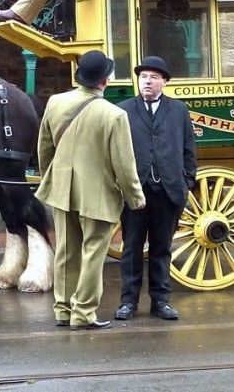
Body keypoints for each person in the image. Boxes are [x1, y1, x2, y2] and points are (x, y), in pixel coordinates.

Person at [35, 50, 146, 330]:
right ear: (105, 80)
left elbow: (44, 148)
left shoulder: (55, 102)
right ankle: (83, 312)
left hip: (61, 189)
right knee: (93, 252)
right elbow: (124, 164)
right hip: (97, 193)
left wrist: (53, 177)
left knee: (66, 251)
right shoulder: (114, 115)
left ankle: (62, 309)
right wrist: (135, 198)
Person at [115, 56, 196, 322]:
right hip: (135, 190)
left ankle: (161, 301)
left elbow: (188, 150)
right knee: (132, 248)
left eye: (152, 77)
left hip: (168, 190)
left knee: (162, 248)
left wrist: (187, 183)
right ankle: (128, 302)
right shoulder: (123, 110)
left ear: (164, 81)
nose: (146, 82)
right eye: (142, 77)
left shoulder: (178, 110)